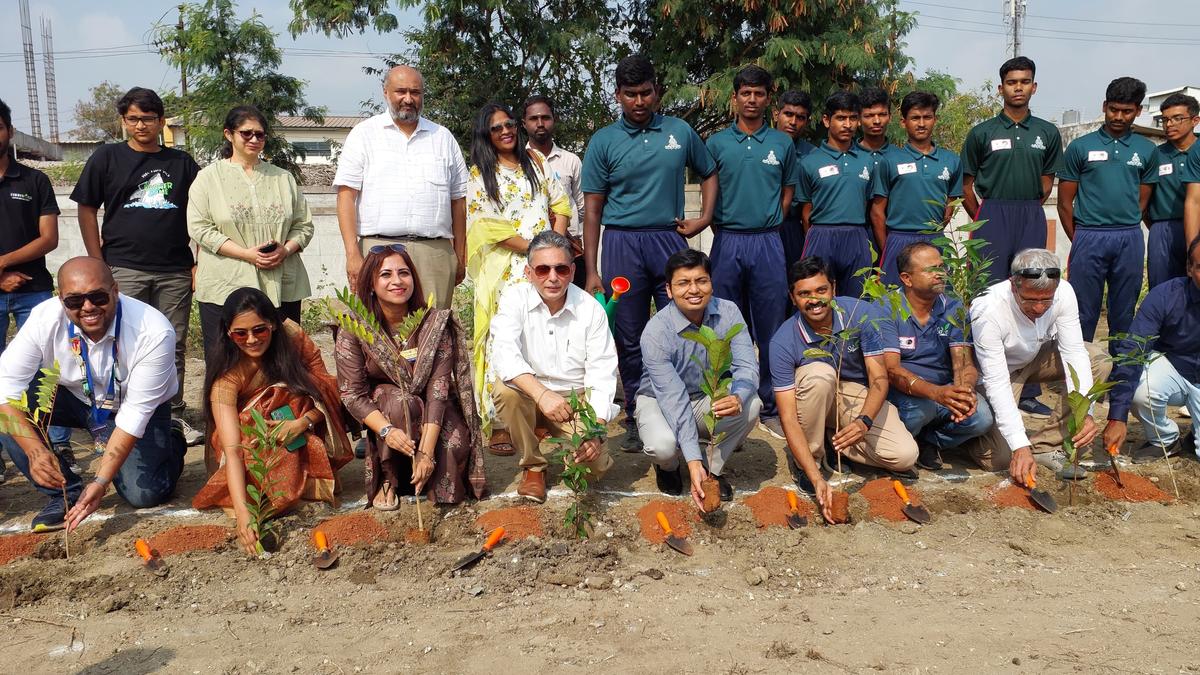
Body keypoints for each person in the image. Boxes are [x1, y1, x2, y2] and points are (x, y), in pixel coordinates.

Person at [581, 54, 717, 452]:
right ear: (618, 95)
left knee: (688, 324)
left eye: (645, 93)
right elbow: (592, 209)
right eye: (630, 95)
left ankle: (694, 408)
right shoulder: (603, 140)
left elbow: (709, 171)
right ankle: (638, 415)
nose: (639, 102)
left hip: (668, 241)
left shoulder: (680, 131)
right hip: (622, 242)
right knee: (629, 333)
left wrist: (704, 218)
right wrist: (591, 270)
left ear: (657, 92)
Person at [0, 257, 184, 531]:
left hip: (133, 407)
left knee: (143, 494)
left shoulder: (153, 331)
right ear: (61, 299)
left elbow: (135, 414)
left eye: (98, 297)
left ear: (115, 291)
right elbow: (5, 388)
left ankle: (172, 439)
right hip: (73, 396)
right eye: (74, 301)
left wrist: (100, 481)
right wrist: (35, 450)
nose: (87, 308)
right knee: (9, 413)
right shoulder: (44, 318)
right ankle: (64, 492)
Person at [70, 87, 201, 444]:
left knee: (171, 343)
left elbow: (201, 213)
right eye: (133, 119)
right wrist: (98, 263)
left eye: (147, 118)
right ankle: (117, 417)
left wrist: (197, 262)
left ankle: (171, 416)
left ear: (161, 121)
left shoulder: (182, 163)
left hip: (175, 269)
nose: (140, 125)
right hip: (122, 268)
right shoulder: (106, 158)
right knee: (120, 342)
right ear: (123, 121)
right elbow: (86, 208)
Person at [193, 288, 353, 554]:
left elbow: (327, 390)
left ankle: (302, 481)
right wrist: (244, 515)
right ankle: (265, 494)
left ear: (274, 326)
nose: (252, 340)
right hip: (251, 442)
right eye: (240, 334)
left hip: (296, 430)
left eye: (260, 330)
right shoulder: (226, 379)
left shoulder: (293, 339)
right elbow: (232, 450)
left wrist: (301, 423)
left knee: (295, 394)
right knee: (253, 420)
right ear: (228, 334)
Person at [336, 244, 486, 508]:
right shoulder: (355, 327)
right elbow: (352, 393)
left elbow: (438, 392)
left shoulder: (433, 324)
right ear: (371, 283)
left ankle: (430, 480)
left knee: (451, 445)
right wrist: (387, 431)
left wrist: (427, 453)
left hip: (433, 411)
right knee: (399, 401)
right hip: (387, 412)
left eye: (404, 273)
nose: (397, 281)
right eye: (386, 275)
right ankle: (388, 479)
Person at [465, 102, 571, 456]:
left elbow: (561, 205)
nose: (507, 130)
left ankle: (541, 415)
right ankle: (500, 424)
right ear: (487, 134)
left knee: (541, 336)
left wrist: (553, 247)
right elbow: (488, 226)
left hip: (544, 269)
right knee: (504, 340)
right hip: (507, 270)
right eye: (497, 128)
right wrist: (536, 250)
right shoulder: (480, 173)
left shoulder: (536, 162)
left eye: (510, 123)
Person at [960, 57, 1063, 417]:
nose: (1018, 87)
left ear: (1034, 87)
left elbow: (1047, 182)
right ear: (1000, 87)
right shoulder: (982, 133)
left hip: (1029, 214)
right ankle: (986, 380)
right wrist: (984, 217)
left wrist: (1026, 207)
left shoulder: (1047, 133)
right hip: (992, 216)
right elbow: (967, 186)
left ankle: (1030, 388)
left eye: (1025, 81)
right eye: (1011, 81)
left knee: (1033, 294)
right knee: (987, 297)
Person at [769, 256, 918, 498]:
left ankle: (834, 440)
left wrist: (863, 422)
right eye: (805, 293)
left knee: (904, 456)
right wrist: (816, 479)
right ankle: (810, 459)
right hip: (811, 395)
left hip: (852, 395)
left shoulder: (859, 314)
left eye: (821, 290)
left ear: (834, 289)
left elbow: (879, 377)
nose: (815, 300)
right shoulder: (782, 342)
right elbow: (787, 416)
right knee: (820, 374)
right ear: (793, 298)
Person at [490, 231, 618, 503]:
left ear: (572, 271)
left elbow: (602, 373)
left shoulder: (590, 309)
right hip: (530, 393)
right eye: (542, 269)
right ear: (528, 272)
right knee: (505, 390)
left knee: (592, 468)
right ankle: (533, 466)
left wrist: (595, 431)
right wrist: (542, 394)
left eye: (560, 268)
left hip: (575, 401)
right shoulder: (514, 299)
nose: (552, 277)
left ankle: (567, 444)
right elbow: (504, 354)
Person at [704, 65, 797, 435]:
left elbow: (787, 193)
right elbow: (711, 194)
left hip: (768, 241)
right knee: (723, 322)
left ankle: (770, 403)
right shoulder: (716, 143)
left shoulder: (781, 143)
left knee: (771, 322)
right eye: (746, 93)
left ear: (768, 98)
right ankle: (727, 397)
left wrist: (767, 221)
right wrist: (726, 226)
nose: (752, 99)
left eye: (759, 93)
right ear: (736, 97)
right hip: (727, 239)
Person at [969, 249, 1112, 482]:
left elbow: (1074, 352)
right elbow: (996, 380)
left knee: (1098, 359)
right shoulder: (988, 308)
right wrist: (1018, 444)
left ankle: (1046, 445)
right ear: (1013, 285)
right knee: (999, 458)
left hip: (1035, 356)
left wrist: (1084, 410)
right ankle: (967, 439)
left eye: (1046, 300)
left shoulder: (1063, 292)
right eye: (1030, 300)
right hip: (998, 371)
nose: (1038, 308)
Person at [335, 65, 469, 309]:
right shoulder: (364, 135)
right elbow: (346, 196)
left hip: (434, 253)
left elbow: (458, 201)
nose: (408, 99)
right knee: (380, 335)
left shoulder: (443, 138)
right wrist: (352, 254)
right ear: (385, 92)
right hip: (377, 250)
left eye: (415, 92)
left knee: (433, 331)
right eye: (401, 91)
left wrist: (460, 255)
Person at [188, 105, 314, 361]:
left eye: (260, 134)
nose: (255, 139)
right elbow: (199, 227)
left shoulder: (283, 178)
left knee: (283, 358)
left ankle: (279, 403)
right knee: (226, 360)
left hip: (280, 280)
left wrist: (285, 250)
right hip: (226, 281)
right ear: (228, 134)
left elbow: (304, 225)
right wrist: (246, 254)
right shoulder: (208, 178)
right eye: (247, 133)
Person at [637, 249, 761, 507]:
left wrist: (737, 395)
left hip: (707, 397)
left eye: (701, 281)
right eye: (683, 283)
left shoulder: (728, 313)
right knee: (663, 446)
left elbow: (747, 365)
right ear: (669, 290)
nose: (694, 290)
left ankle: (712, 470)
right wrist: (690, 461)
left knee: (751, 405)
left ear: (711, 284)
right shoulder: (656, 331)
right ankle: (669, 468)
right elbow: (673, 398)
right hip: (659, 400)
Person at [1058, 77, 1156, 346]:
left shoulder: (1147, 150)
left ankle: (1121, 374)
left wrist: (1124, 222)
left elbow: (1142, 201)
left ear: (1138, 111)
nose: (1119, 117)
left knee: (1124, 310)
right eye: (1114, 109)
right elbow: (1065, 203)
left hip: (1128, 237)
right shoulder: (1080, 147)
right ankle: (1082, 373)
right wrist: (1079, 238)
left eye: (1127, 111)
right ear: (1104, 106)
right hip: (1088, 235)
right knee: (1082, 310)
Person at [878, 242, 993, 471]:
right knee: (923, 410)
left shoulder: (954, 306)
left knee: (981, 417)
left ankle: (931, 441)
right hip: (902, 394)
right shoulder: (885, 308)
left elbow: (963, 363)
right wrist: (936, 394)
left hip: (944, 390)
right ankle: (904, 441)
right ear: (906, 278)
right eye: (931, 269)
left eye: (942, 267)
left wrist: (964, 391)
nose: (940, 274)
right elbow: (891, 370)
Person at [0, 97, 61, 479]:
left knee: (48, 370)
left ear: (8, 130)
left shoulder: (35, 180)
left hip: (32, 288)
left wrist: (3, 262)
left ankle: (57, 439)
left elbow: (49, 238)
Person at [1104, 236, 1200, 463]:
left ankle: (1195, 433)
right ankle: (1165, 439)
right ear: (1189, 268)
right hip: (1173, 368)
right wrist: (1117, 417)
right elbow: (1133, 350)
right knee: (1141, 391)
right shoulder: (1165, 296)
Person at [871, 91, 963, 287]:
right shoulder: (888, 160)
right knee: (893, 301)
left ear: (935, 119)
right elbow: (877, 212)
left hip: (935, 239)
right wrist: (888, 247)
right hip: (898, 239)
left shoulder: (952, 160)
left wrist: (932, 233)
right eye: (915, 118)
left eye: (927, 117)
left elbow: (950, 207)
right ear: (904, 122)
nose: (921, 124)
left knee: (941, 296)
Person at [795, 91, 875, 299]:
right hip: (821, 235)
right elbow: (805, 212)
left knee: (858, 301)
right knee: (817, 297)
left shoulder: (868, 162)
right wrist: (816, 237)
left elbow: (870, 203)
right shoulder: (809, 162)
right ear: (826, 120)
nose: (847, 124)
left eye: (852, 118)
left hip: (857, 236)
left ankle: (855, 334)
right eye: (841, 118)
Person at [522, 95, 587, 287]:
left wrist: (564, 233)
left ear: (554, 120)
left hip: (570, 249)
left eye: (545, 118)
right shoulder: (518, 163)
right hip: (531, 250)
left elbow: (581, 206)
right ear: (524, 123)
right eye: (534, 119)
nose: (540, 123)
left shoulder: (571, 160)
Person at [1145, 93, 1199, 288]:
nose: (1169, 124)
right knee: (1162, 289)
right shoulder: (1155, 155)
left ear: (1195, 120)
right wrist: (1158, 229)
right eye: (1165, 119)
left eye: (1177, 118)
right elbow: (1144, 198)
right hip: (1163, 230)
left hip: (1197, 228)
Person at [775, 89, 817, 269]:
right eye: (788, 114)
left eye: (800, 117)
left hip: (796, 228)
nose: (793, 122)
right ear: (776, 114)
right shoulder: (762, 146)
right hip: (761, 228)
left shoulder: (814, 155)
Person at [857, 86, 894, 169]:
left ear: (890, 117)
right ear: (858, 119)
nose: (877, 121)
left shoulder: (901, 156)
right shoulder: (849, 156)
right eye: (869, 116)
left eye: (882, 115)